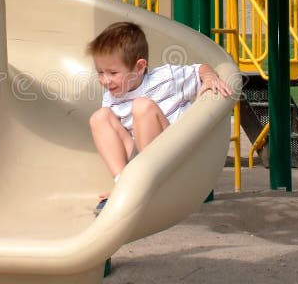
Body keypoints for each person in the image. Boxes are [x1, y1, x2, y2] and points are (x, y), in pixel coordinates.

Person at [87, 21, 231, 212]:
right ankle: (125, 186)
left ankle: (147, 183)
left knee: (142, 106)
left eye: (113, 73)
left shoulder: (165, 78)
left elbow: (201, 69)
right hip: (141, 161)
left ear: (139, 67)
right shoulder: (111, 98)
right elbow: (116, 138)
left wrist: (211, 78)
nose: (105, 80)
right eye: (100, 73)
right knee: (100, 117)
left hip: (171, 159)